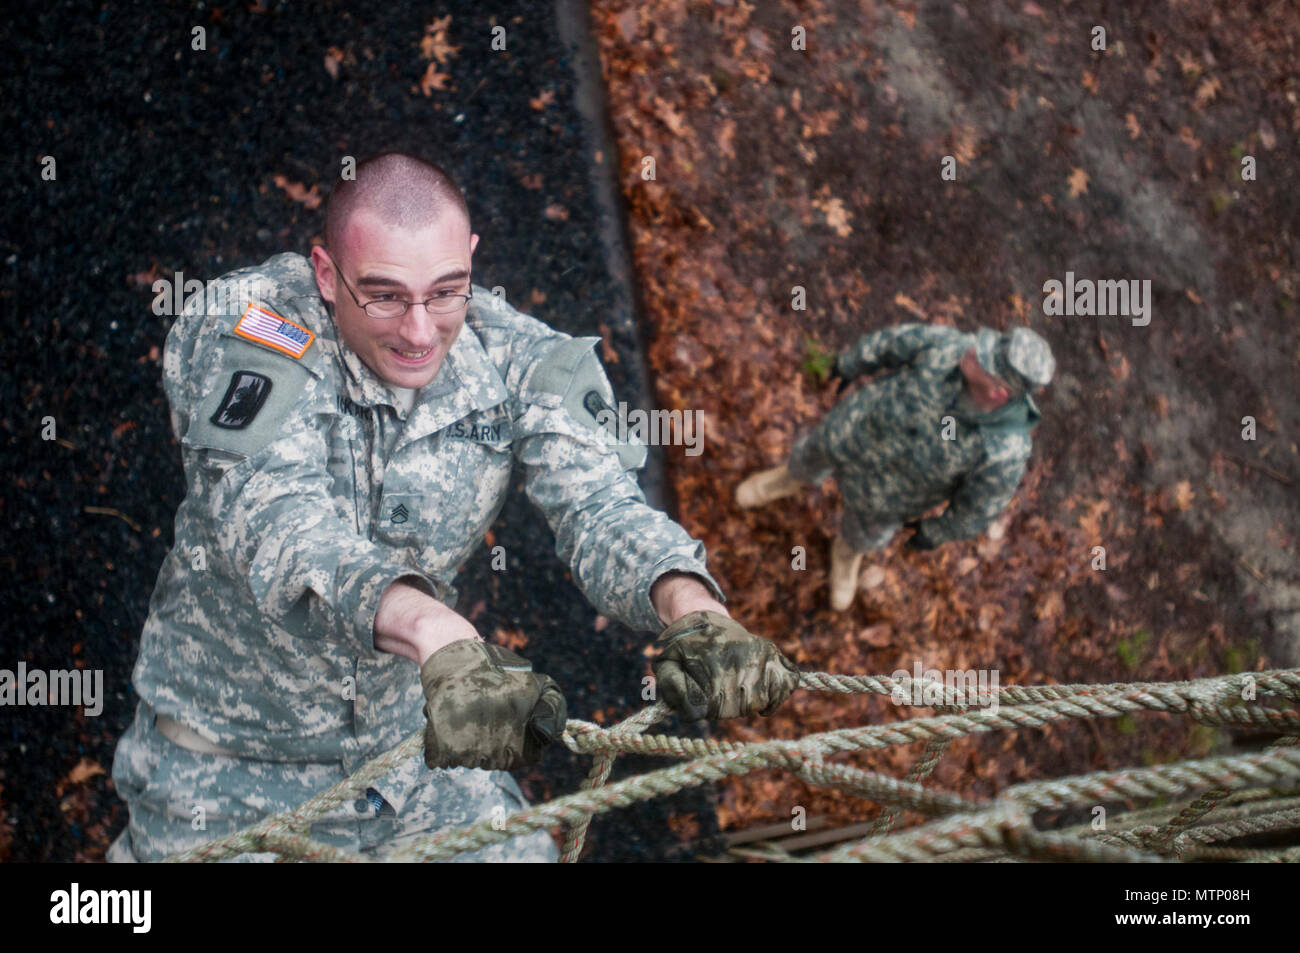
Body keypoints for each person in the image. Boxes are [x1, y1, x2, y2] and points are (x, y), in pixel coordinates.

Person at [108, 152, 799, 863]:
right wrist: (433, 628)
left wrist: (690, 602)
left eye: (446, 292)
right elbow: (278, 522)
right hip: (228, 766)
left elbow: (598, 504)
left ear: (471, 261)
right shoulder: (253, 328)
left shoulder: (521, 359)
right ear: (324, 273)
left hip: (409, 752)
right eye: (383, 295)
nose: (418, 330)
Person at [735, 323, 1055, 612]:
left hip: (890, 496)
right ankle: (784, 481)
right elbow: (894, 342)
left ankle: (846, 557)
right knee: (810, 455)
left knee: (862, 535)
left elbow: (979, 508)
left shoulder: (1004, 452)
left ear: (999, 392)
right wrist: (852, 362)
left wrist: (937, 531)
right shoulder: (950, 347)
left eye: (981, 359)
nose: (972, 348)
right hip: (854, 429)